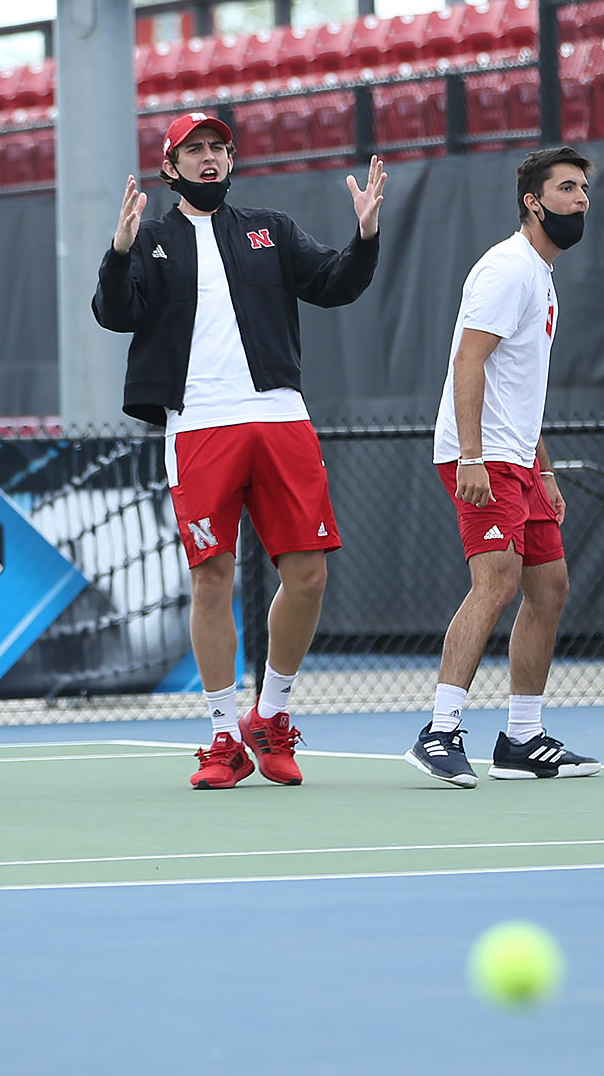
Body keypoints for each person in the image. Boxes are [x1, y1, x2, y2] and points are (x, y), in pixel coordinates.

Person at [92, 112, 385, 789]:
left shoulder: (272, 228)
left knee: (308, 575)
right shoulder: (151, 236)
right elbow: (115, 313)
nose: (209, 158)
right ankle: (224, 735)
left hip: (280, 416)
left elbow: (335, 283)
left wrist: (365, 234)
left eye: (219, 147)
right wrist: (117, 251)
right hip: (198, 424)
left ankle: (270, 716)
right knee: (211, 578)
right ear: (170, 168)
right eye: (194, 150)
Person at [403, 147, 602, 788]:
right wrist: (472, 456)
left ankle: (521, 737)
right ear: (533, 202)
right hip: (479, 457)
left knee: (550, 589)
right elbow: (469, 363)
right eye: (567, 188)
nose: (581, 200)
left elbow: (523, 386)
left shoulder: (541, 275)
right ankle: (439, 731)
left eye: (584, 189)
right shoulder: (507, 269)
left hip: (518, 460)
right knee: (496, 584)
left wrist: (541, 468)